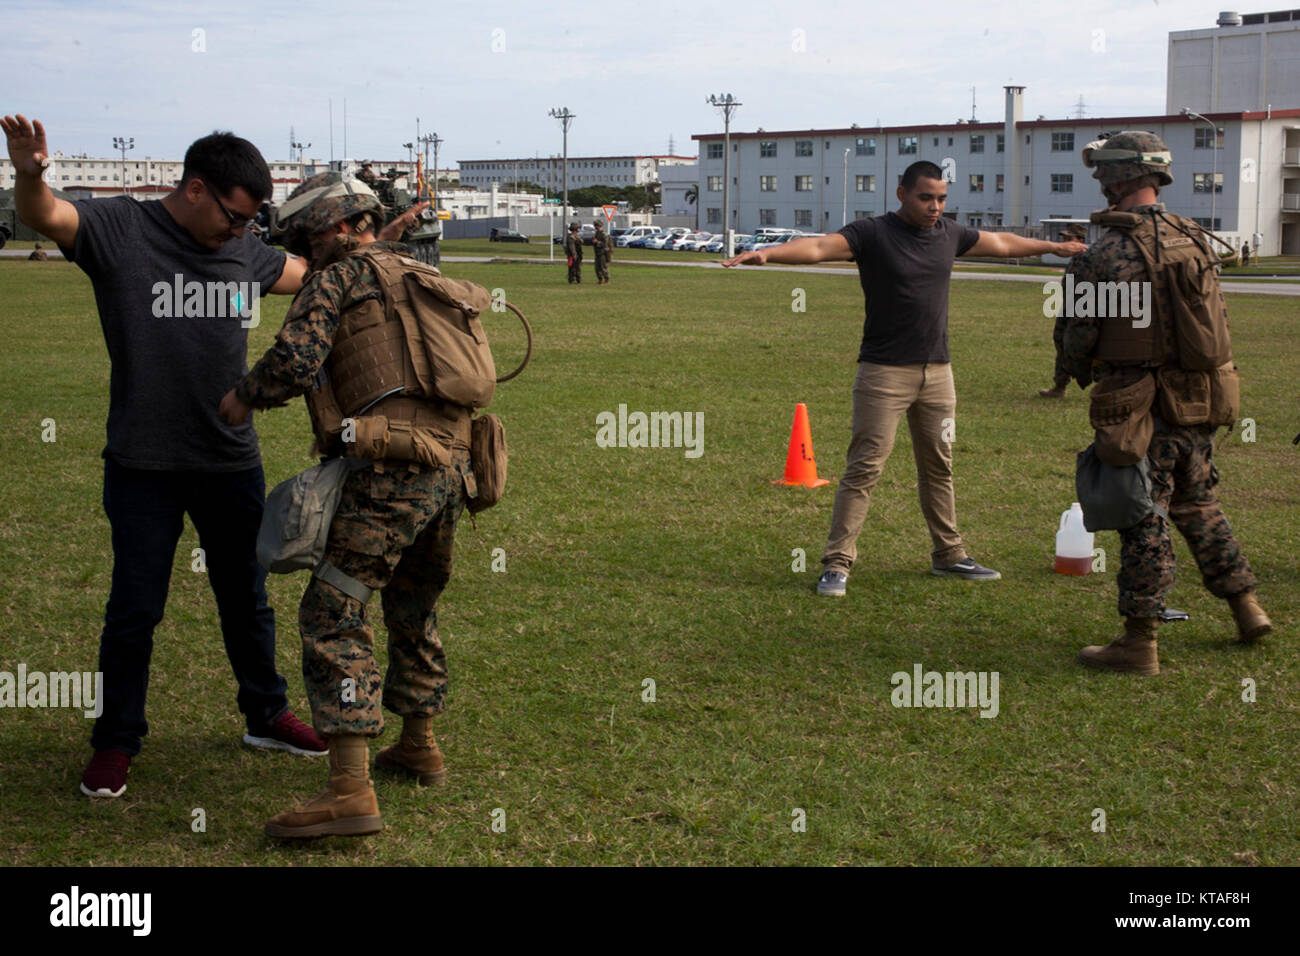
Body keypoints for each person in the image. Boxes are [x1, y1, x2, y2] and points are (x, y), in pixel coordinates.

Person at [1, 114, 323, 798]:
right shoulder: (123, 230)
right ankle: (116, 741)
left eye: (251, 223)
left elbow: (306, 275)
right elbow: (48, 217)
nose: (241, 233)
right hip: (144, 463)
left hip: (231, 459)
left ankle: (265, 714)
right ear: (197, 189)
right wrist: (30, 176)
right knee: (135, 610)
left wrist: (357, 253)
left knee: (247, 599)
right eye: (235, 217)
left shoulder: (244, 248)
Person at [218, 172, 477, 838]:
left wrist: (243, 397)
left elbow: (296, 360)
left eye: (305, 238)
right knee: (412, 601)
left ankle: (348, 791)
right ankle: (418, 744)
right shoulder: (414, 270)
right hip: (453, 462)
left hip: (391, 466)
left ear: (331, 228)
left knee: (334, 608)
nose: (304, 253)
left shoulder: (335, 280)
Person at [722, 160, 1087, 597]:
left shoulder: (949, 234)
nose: (935, 207)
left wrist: (1052, 247)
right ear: (901, 194)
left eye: (942, 199)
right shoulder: (872, 234)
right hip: (883, 373)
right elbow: (818, 247)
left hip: (938, 372)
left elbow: (1002, 243)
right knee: (864, 469)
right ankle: (837, 563)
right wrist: (768, 254)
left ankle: (949, 555)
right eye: (926, 198)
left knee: (939, 466)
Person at [1063, 131, 1271, 675]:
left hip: (1138, 403)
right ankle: (1246, 608)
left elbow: (1077, 336)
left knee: (1142, 515)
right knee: (1199, 504)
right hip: (1199, 397)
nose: (1102, 185)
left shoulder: (1103, 251)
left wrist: (1076, 368)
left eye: (1104, 174)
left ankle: (1139, 642)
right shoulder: (1194, 237)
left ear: (1121, 177)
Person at [1039, 224, 1088, 399]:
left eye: (1069, 238)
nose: (1064, 242)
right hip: (1068, 308)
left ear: (1080, 240)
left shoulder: (1088, 259)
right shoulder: (1076, 259)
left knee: (1083, 348)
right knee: (1061, 342)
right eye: (1064, 238)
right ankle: (1059, 386)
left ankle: (1104, 386)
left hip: (1083, 312)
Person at [593, 219, 613, 284]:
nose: (595, 227)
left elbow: (605, 244)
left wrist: (597, 242)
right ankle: (600, 280)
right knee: (597, 268)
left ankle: (607, 280)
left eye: (596, 225)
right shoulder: (597, 233)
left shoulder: (604, 234)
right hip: (597, 253)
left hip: (603, 253)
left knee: (603, 267)